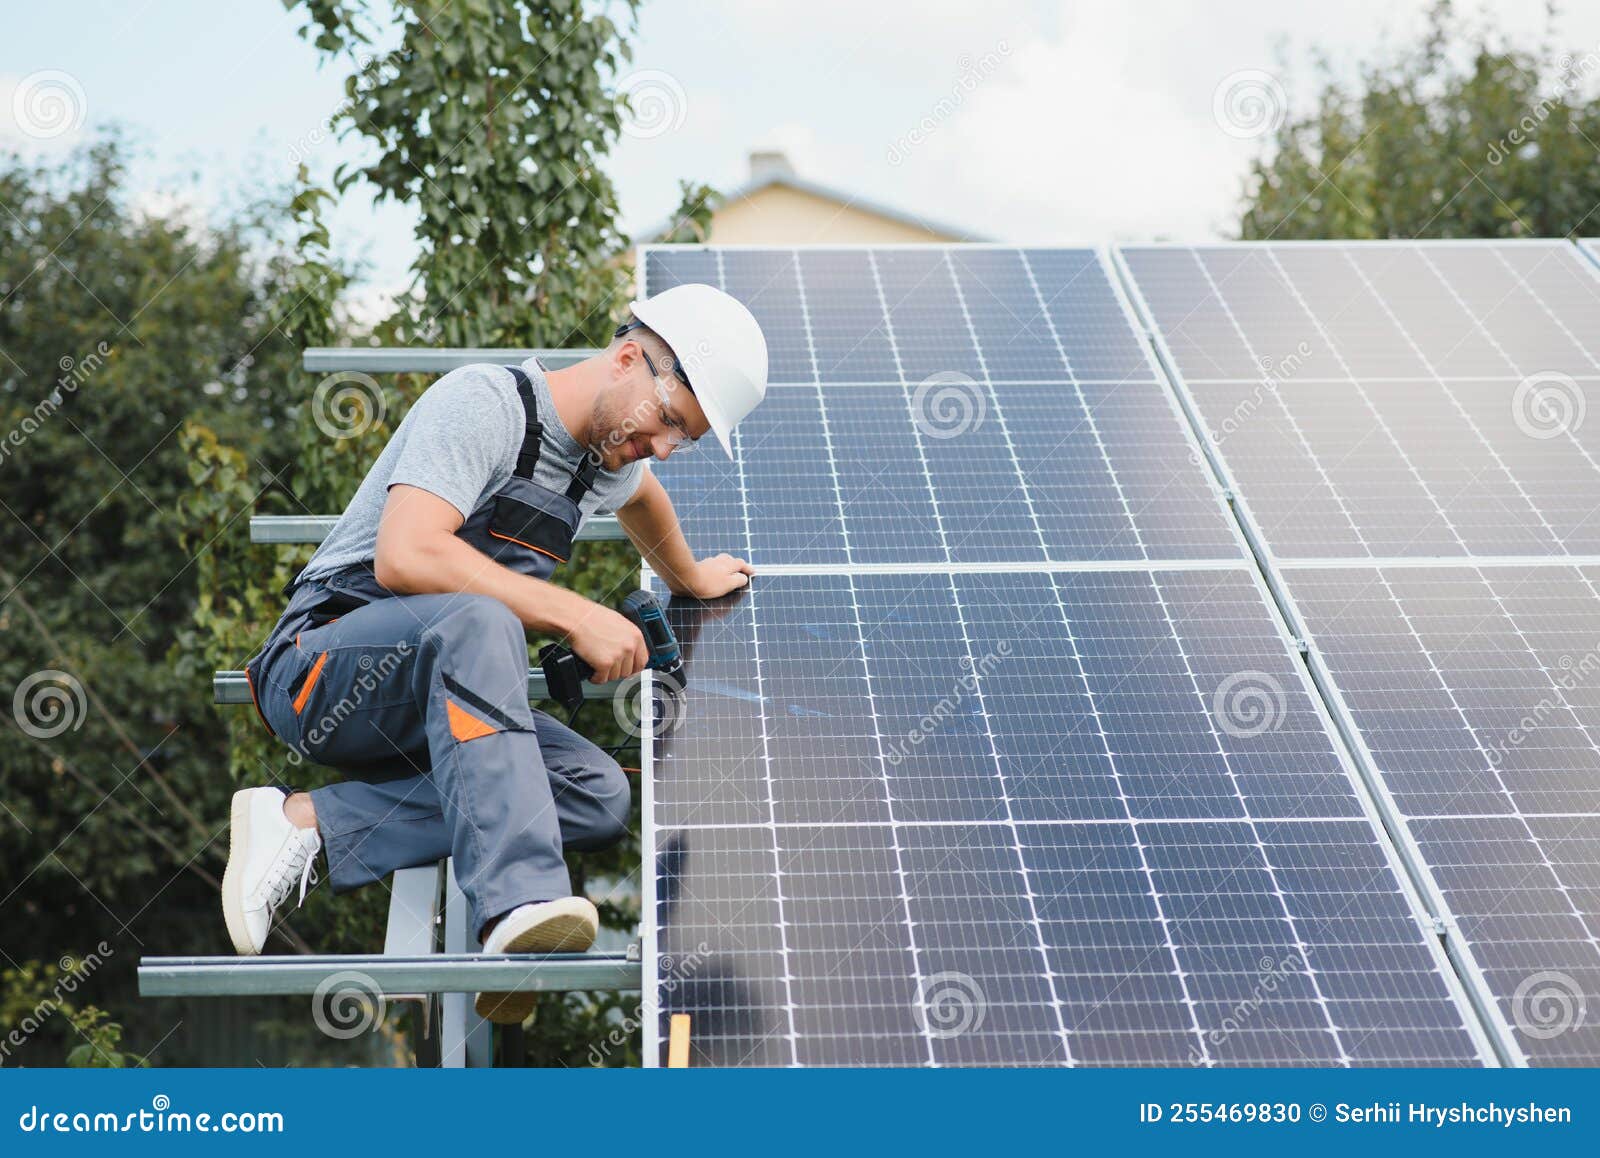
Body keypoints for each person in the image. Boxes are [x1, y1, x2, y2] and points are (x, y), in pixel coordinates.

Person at [223, 284, 768, 1023]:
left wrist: (690, 577)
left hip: (438, 710)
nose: (665, 448)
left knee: (596, 793)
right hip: (321, 671)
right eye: (669, 422)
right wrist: (575, 614)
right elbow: (407, 555)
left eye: (684, 440)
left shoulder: (605, 459)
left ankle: (307, 819)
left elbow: (643, 498)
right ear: (628, 360)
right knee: (479, 619)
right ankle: (517, 910)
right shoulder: (486, 403)